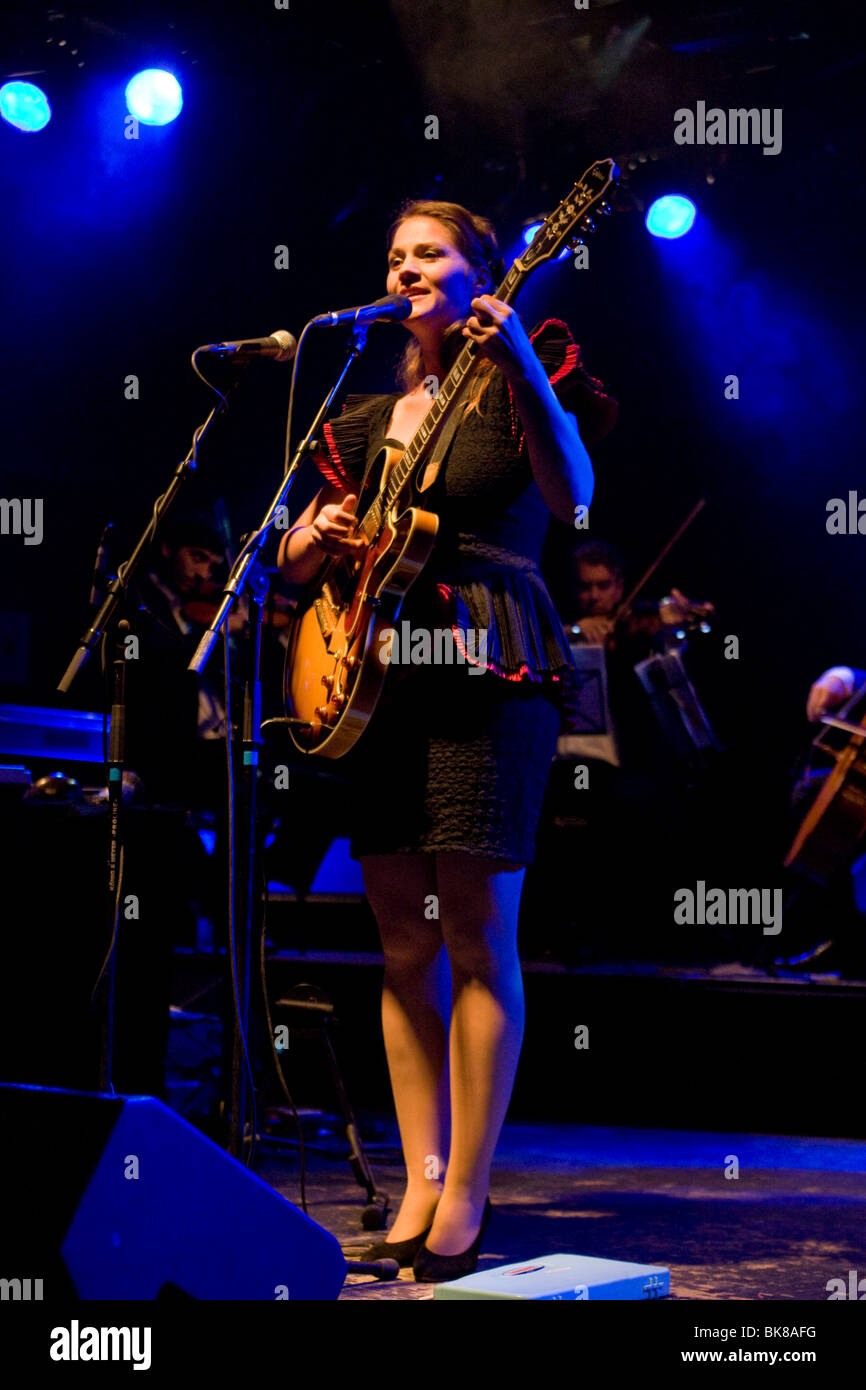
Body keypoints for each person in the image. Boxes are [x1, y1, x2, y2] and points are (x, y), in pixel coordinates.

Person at [277, 199, 616, 1281]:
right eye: (393, 257)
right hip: (377, 679)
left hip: (487, 662)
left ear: (483, 274)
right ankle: (419, 1171)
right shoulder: (365, 408)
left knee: (473, 935)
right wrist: (310, 535)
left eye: (429, 253)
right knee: (402, 943)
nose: (405, 268)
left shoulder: (524, 371)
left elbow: (573, 498)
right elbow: (289, 562)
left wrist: (515, 355)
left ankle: (467, 1183)